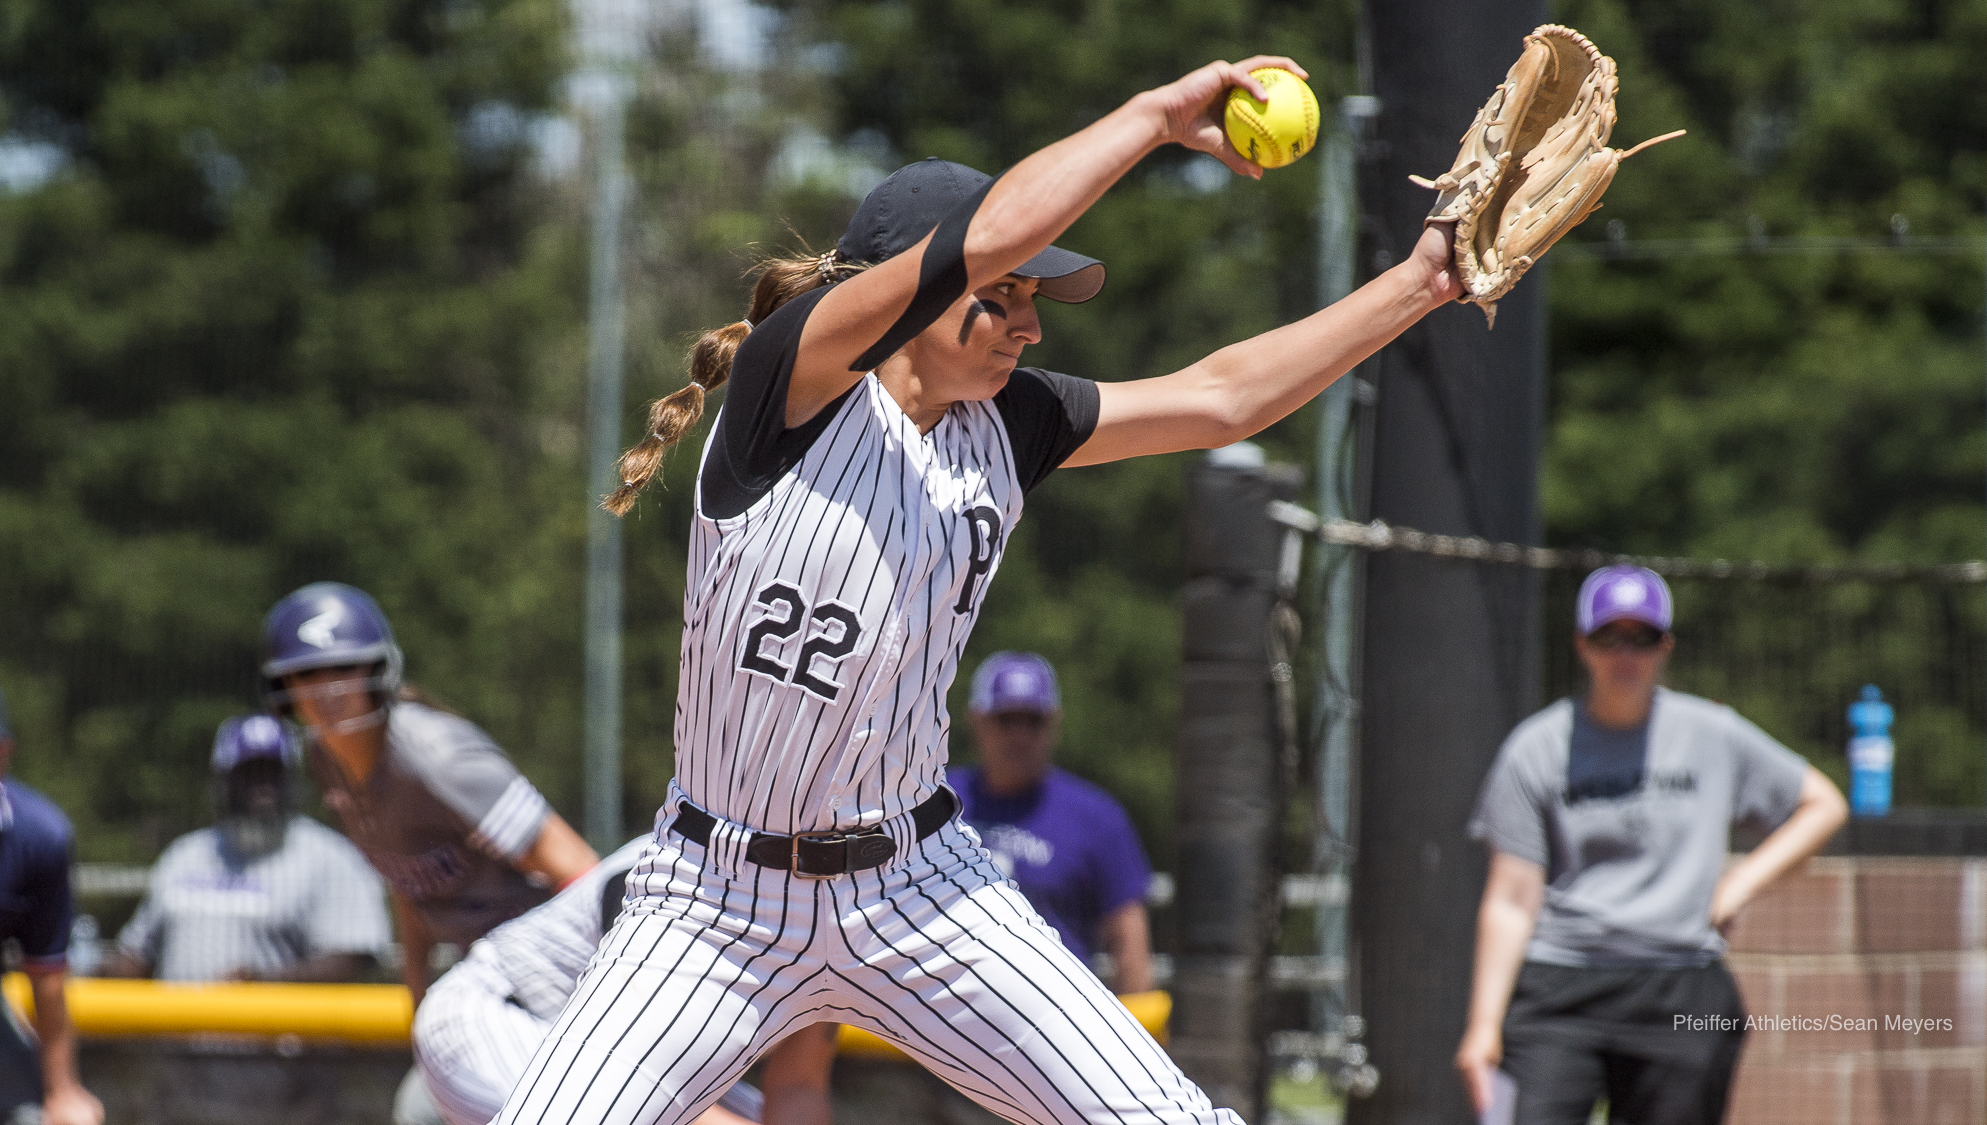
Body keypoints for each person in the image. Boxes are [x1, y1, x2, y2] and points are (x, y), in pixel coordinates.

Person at [494, 55, 1464, 1125]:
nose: (1030, 324)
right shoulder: (792, 382)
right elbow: (984, 239)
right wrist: (1148, 119)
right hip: (712, 903)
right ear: (904, 291)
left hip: (915, 886)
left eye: (1031, 303)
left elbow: (1222, 396)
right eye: (1002, 300)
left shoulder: (1007, 425)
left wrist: (1423, 279)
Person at [1456, 566, 1851, 1125]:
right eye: (1607, 638)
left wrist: (1737, 884)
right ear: (1581, 645)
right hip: (1560, 985)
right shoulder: (1535, 749)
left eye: (1641, 638)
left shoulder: (1711, 734)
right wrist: (1482, 1027)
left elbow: (1823, 804)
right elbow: (1510, 899)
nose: (1625, 654)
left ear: (1665, 646)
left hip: (1680, 981)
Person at [258, 581, 599, 1124]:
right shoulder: (326, 760)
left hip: (556, 974)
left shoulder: (436, 756)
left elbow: (581, 870)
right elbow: (406, 883)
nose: (326, 689)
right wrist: (417, 998)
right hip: (485, 984)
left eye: (343, 667)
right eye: (307, 674)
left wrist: (612, 1003)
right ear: (284, 689)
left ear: (377, 671)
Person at [414, 837, 836, 1125]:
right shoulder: (676, 879)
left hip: (601, 1061)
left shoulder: (833, 923)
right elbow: (644, 1079)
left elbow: (798, 1088)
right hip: (490, 1017)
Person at [101, 715, 391, 983]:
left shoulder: (331, 857)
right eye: (249, 773)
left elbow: (354, 958)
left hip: (283, 1035)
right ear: (223, 781)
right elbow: (138, 954)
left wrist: (266, 985)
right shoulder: (186, 855)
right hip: (179, 1035)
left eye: (271, 773)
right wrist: (98, 969)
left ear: (292, 781)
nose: (262, 787)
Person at [947, 652, 1154, 995]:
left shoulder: (1095, 816)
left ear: (1054, 723)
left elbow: (1128, 938)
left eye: (1033, 721)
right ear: (976, 720)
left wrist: (1138, 1033)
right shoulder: (934, 801)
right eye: (1006, 719)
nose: (1019, 735)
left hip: (1053, 1017)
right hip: (939, 1015)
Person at [0, 687, 102, 1125]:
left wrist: (63, 1090)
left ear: (4, 753)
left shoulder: (37, 836)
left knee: (39, 1118)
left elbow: (47, 975)